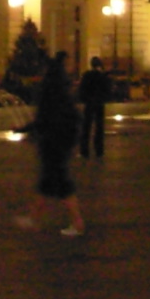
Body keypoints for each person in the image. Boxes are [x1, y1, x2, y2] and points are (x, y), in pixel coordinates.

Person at [17, 54, 86, 237]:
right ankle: (34, 219)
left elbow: (42, 119)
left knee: (61, 185)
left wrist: (24, 129)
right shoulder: (63, 93)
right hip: (59, 143)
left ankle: (77, 223)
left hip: (52, 144)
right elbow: (74, 117)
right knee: (47, 184)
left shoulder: (49, 93)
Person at [77, 55, 111, 160]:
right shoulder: (102, 76)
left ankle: (84, 151)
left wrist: (83, 99)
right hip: (99, 103)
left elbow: (82, 89)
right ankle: (99, 150)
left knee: (86, 127)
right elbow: (107, 89)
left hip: (89, 103)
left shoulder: (87, 75)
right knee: (99, 127)